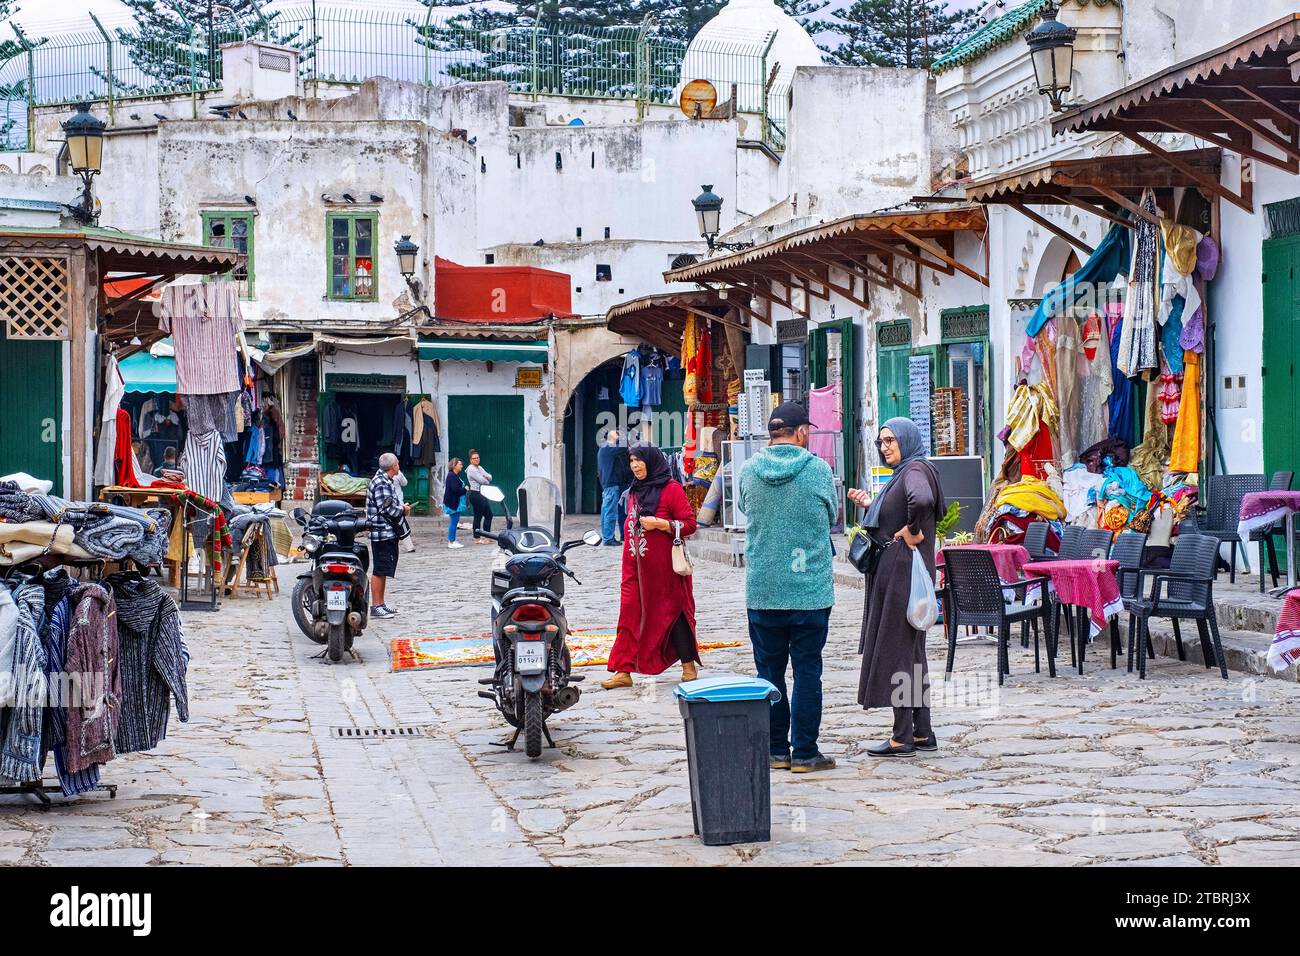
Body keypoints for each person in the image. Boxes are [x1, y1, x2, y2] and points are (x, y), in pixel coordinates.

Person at [738, 402, 839, 774]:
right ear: (801, 433)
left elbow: (746, 509)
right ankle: (805, 753)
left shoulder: (749, 470)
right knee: (808, 670)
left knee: (769, 673)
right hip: (808, 590)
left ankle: (775, 750)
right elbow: (832, 515)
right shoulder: (818, 470)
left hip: (763, 588)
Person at [848, 418, 945, 758]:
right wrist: (870, 505)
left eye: (890, 439)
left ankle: (901, 736)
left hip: (902, 575)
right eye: (881, 441)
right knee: (912, 653)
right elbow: (904, 503)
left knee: (899, 653)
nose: (885, 446)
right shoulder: (907, 470)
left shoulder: (915, 469)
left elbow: (920, 499)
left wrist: (911, 530)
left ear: (906, 439)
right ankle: (922, 732)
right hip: (903, 574)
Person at [602, 442, 699, 689]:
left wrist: (661, 525)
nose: (634, 465)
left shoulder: (671, 489)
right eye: (631, 461)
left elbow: (689, 524)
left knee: (673, 614)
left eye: (639, 460)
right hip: (634, 568)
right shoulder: (635, 491)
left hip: (664, 571)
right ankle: (623, 670)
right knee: (629, 615)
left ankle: (688, 665)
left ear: (651, 461)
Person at [367, 452, 410, 620]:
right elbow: (388, 509)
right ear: (394, 466)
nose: (398, 465)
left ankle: (381, 603)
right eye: (397, 463)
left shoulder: (385, 480)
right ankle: (376, 606)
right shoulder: (381, 482)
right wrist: (403, 509)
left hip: (386, 531)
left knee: (384, 569)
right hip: (382, 532)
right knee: (379, 569)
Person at [596, 430, 631, 546]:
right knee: (609, 512)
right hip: (611, 484)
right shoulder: (607, 447)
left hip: (616, 483)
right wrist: (624, 436)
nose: (619, 434)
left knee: (619, 511)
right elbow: (623, 448)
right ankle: (608, 538)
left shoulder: (609, 448)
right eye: (616, 433)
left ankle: (622, 535)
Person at [464, 450, 494, 543]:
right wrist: (485, 478)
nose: (477, 459)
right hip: (475, 494)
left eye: (478, 457)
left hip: (482, 493)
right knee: (478, 516)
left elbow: (490, 477)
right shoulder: (472, 469)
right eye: (474, 458)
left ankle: (486, 536)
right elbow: (483, 481)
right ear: (470, 460)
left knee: (489, 515)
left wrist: (487, 477)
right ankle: (477, 538)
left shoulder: (479, 467)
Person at [443, 458, 467, 549]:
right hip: (452, 503)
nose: (461, 466)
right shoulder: (452, 476)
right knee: (454, 522)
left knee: (455, 521)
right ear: (454, 465)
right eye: (460, 464)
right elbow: (455, 490)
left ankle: (452, 540)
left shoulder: (453, 475)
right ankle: (451, 541)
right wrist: (465, 489)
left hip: (453, 502)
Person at [393, 467, 415, 553]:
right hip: (398, 502)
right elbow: (405, 483)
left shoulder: (379, 475)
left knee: (399, 524)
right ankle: (409, 547)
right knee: (401, 524)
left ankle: (409, 546)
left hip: (394, 503)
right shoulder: (398, 473)